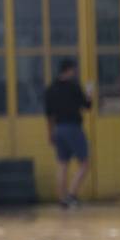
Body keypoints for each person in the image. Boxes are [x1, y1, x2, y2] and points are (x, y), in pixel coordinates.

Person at [44, 59, 93, 207]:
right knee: (84, 163)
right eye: (74, 69)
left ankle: (61, 198)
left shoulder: (50, 89)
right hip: (73, 128)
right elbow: (87, 106)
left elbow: (49, 116)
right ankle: (71, 195)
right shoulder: (74, 86)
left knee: (62, 164)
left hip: (58, 129)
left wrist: (50, 133)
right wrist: (90, 93)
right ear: (70, 70)